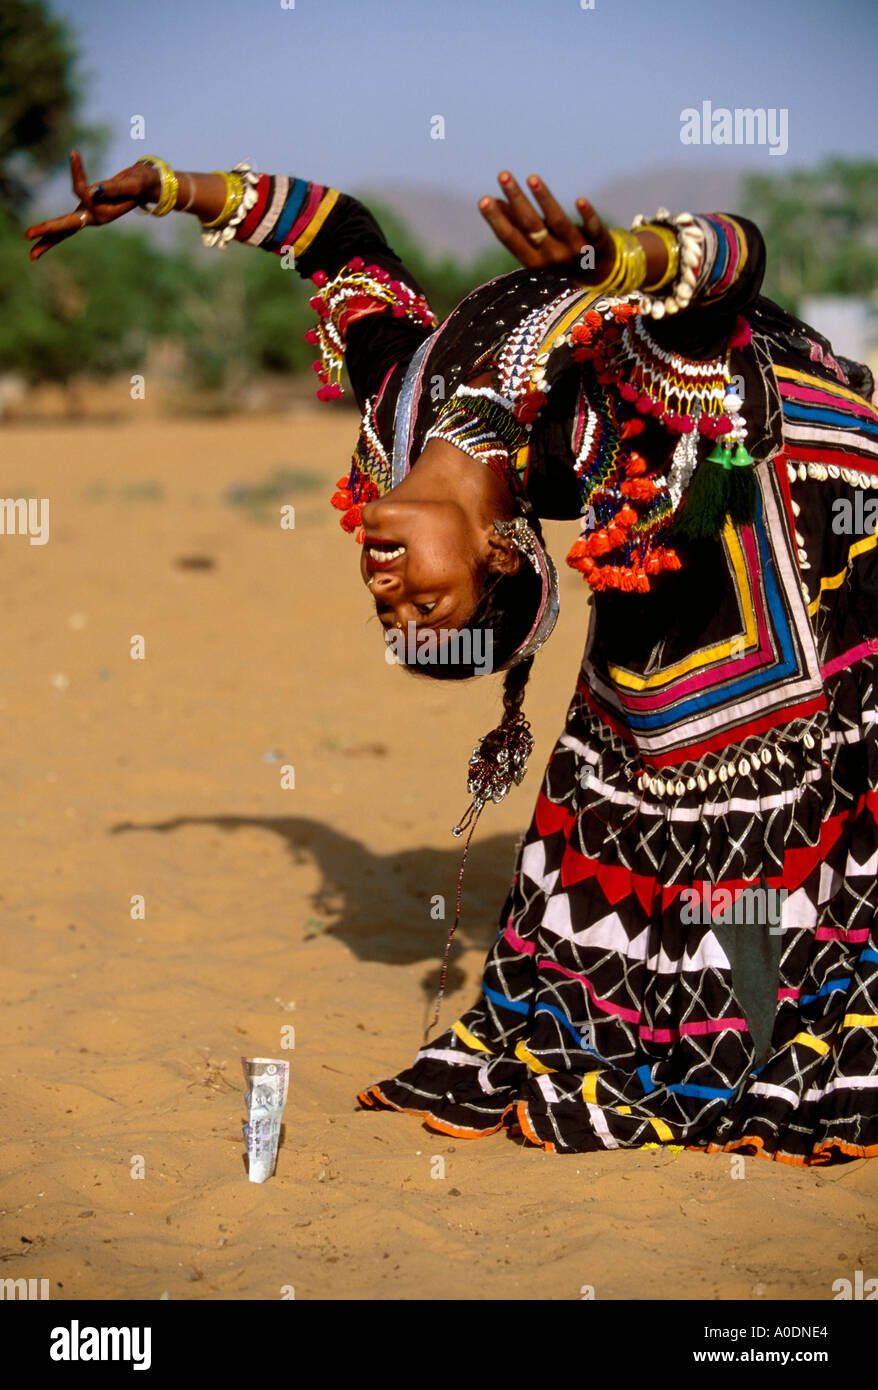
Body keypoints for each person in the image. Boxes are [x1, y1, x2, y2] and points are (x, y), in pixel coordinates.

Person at [28, 153, 878, 1164]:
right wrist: (627, 260)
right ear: (498, 551)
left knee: (665, 734)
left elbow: (337, 239)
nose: (387, 593)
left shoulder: (398, 393)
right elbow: (735, 263)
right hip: (788, 470)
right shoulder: (575, 431)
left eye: (393, 614)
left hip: (728, 481)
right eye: (428, 605)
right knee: (679, 741)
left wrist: (169, 189)